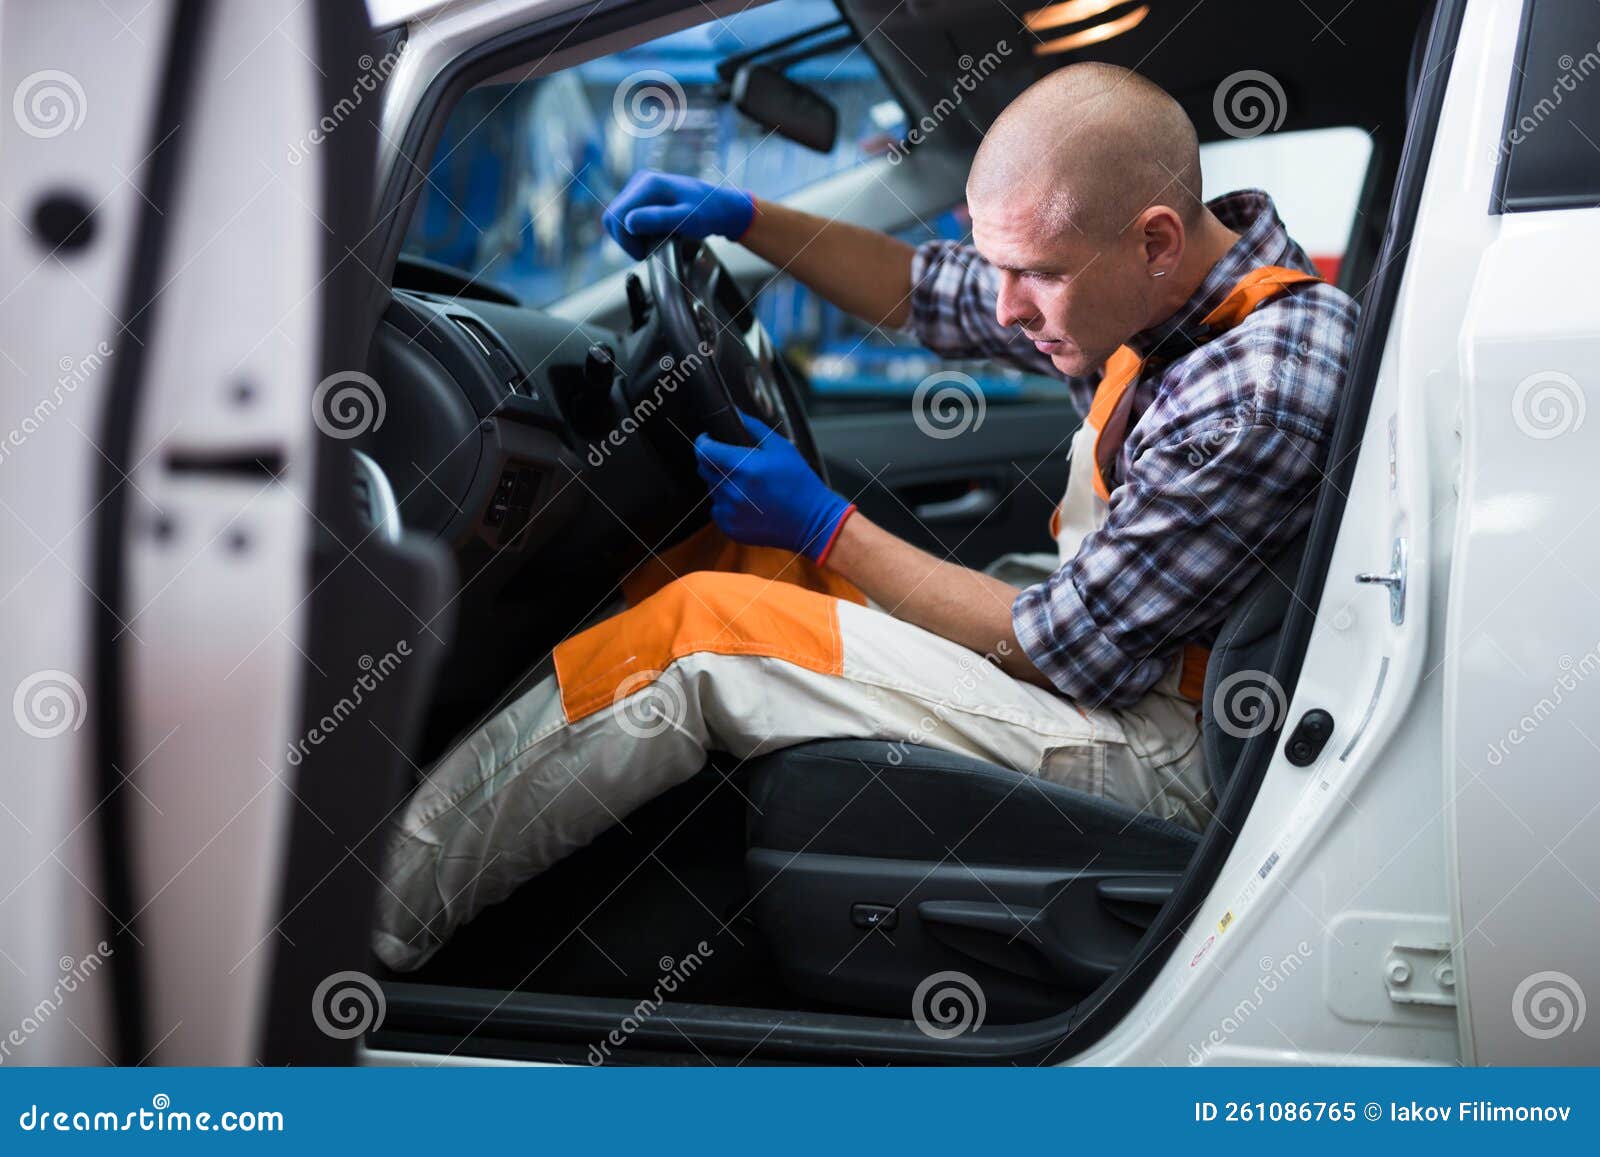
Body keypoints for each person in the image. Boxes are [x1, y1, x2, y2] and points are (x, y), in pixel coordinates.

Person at [372, 62, 1358, 972]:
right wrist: (746, 215)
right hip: (1104, 648)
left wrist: (824, 526)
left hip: (1157, 737)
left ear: (1154, 238)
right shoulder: (1154, 284)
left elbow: (1064, 649)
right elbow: (925, 290)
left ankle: (371, 919)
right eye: (999, 265)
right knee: (727, 555)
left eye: (1037, 276)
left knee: (698, 632)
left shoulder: (1253, 385)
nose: (1007, 306)